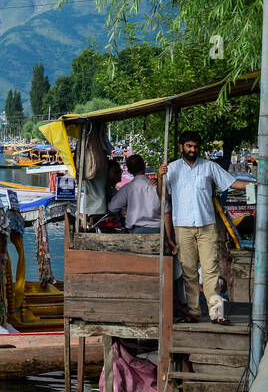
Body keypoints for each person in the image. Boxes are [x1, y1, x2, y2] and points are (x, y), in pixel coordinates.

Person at [160, 131, 251, 324]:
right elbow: (162, 197)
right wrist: (160, 178)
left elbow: (232, 182)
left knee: (211, 270)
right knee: (189, 271)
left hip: (207, 226)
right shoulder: (172, 169)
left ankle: (216, 313)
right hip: (182, 226)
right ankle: (193, 311)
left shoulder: (209, 167)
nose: (192, 150)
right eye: (189, 146)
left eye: (195, 146)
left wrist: (257, 186)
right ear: (182, 147)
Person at [107, 155, 161, 233]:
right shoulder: (156, 186)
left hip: (136, 231)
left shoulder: (126, 189)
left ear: (129, 171)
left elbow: (112, 208)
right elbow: (167, 212)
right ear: (144, 166)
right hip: (157, 230)